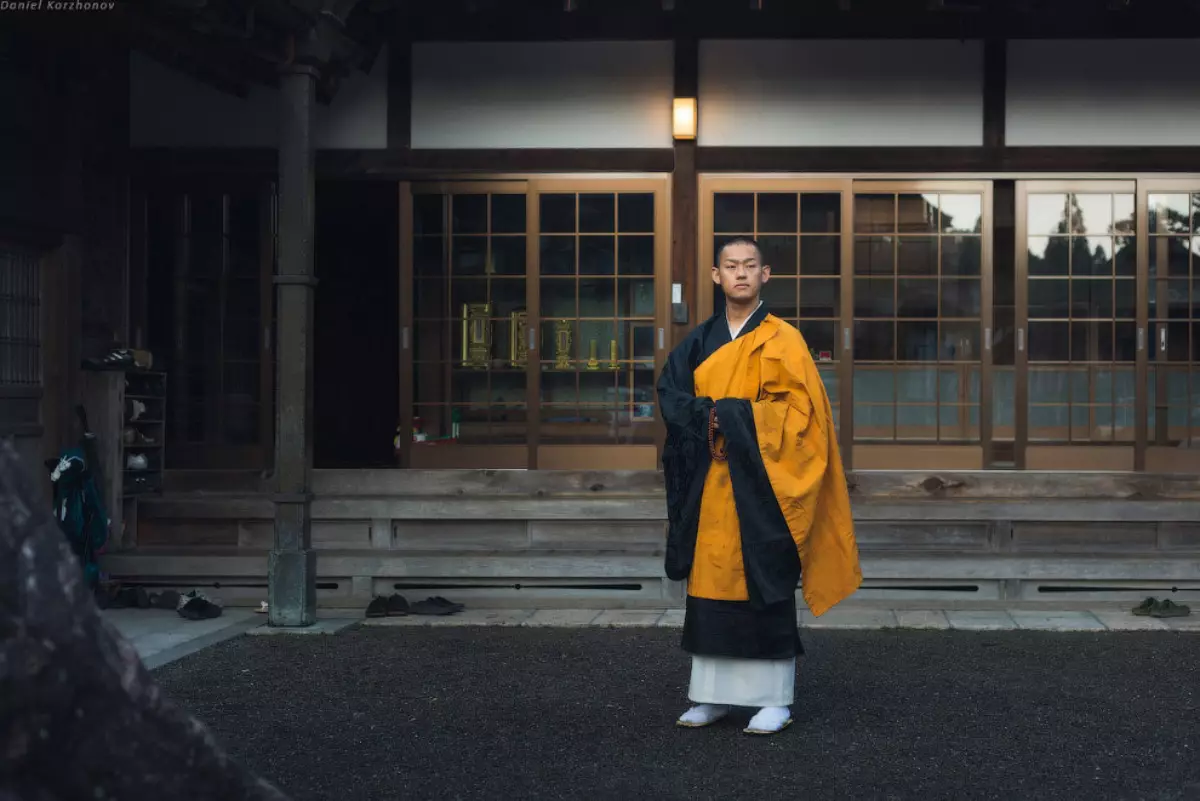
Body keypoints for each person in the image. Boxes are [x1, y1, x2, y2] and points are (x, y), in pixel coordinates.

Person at [657, 236, 861, 736]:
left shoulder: (783, 339)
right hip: (712, 481)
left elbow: (802, 415)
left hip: (764, 482)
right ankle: (711, 696)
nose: (741, 273)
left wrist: (731, 414)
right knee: (709, 583)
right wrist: (709, 417)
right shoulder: (699, 341)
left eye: (750, 265)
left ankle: (774, 700)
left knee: (762, 581)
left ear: (765, 275)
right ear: (716, 275)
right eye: (731, 266)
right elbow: (671, 394)